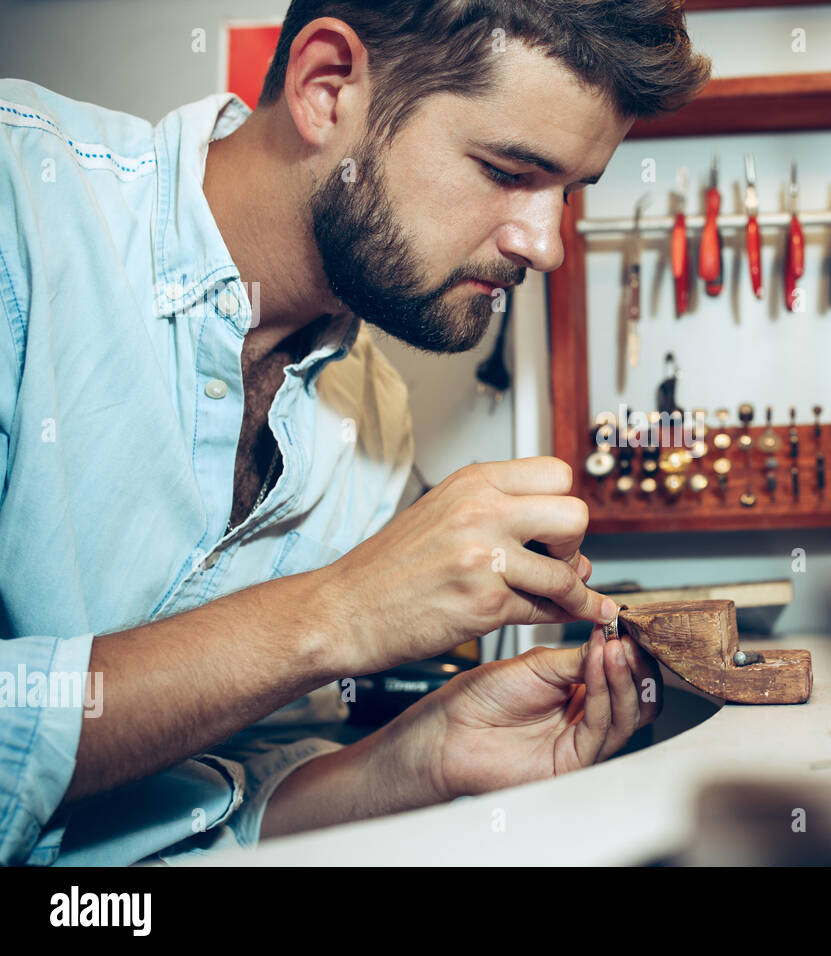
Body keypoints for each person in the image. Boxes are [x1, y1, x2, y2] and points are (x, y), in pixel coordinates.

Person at [0, 0, 710, 864]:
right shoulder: (20, 213)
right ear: (327, 87)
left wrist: (423, 758)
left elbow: (175, 814)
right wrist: (338, 611)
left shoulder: (370, 421)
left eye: (568, 192)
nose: (546, 245)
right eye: (507, 171)